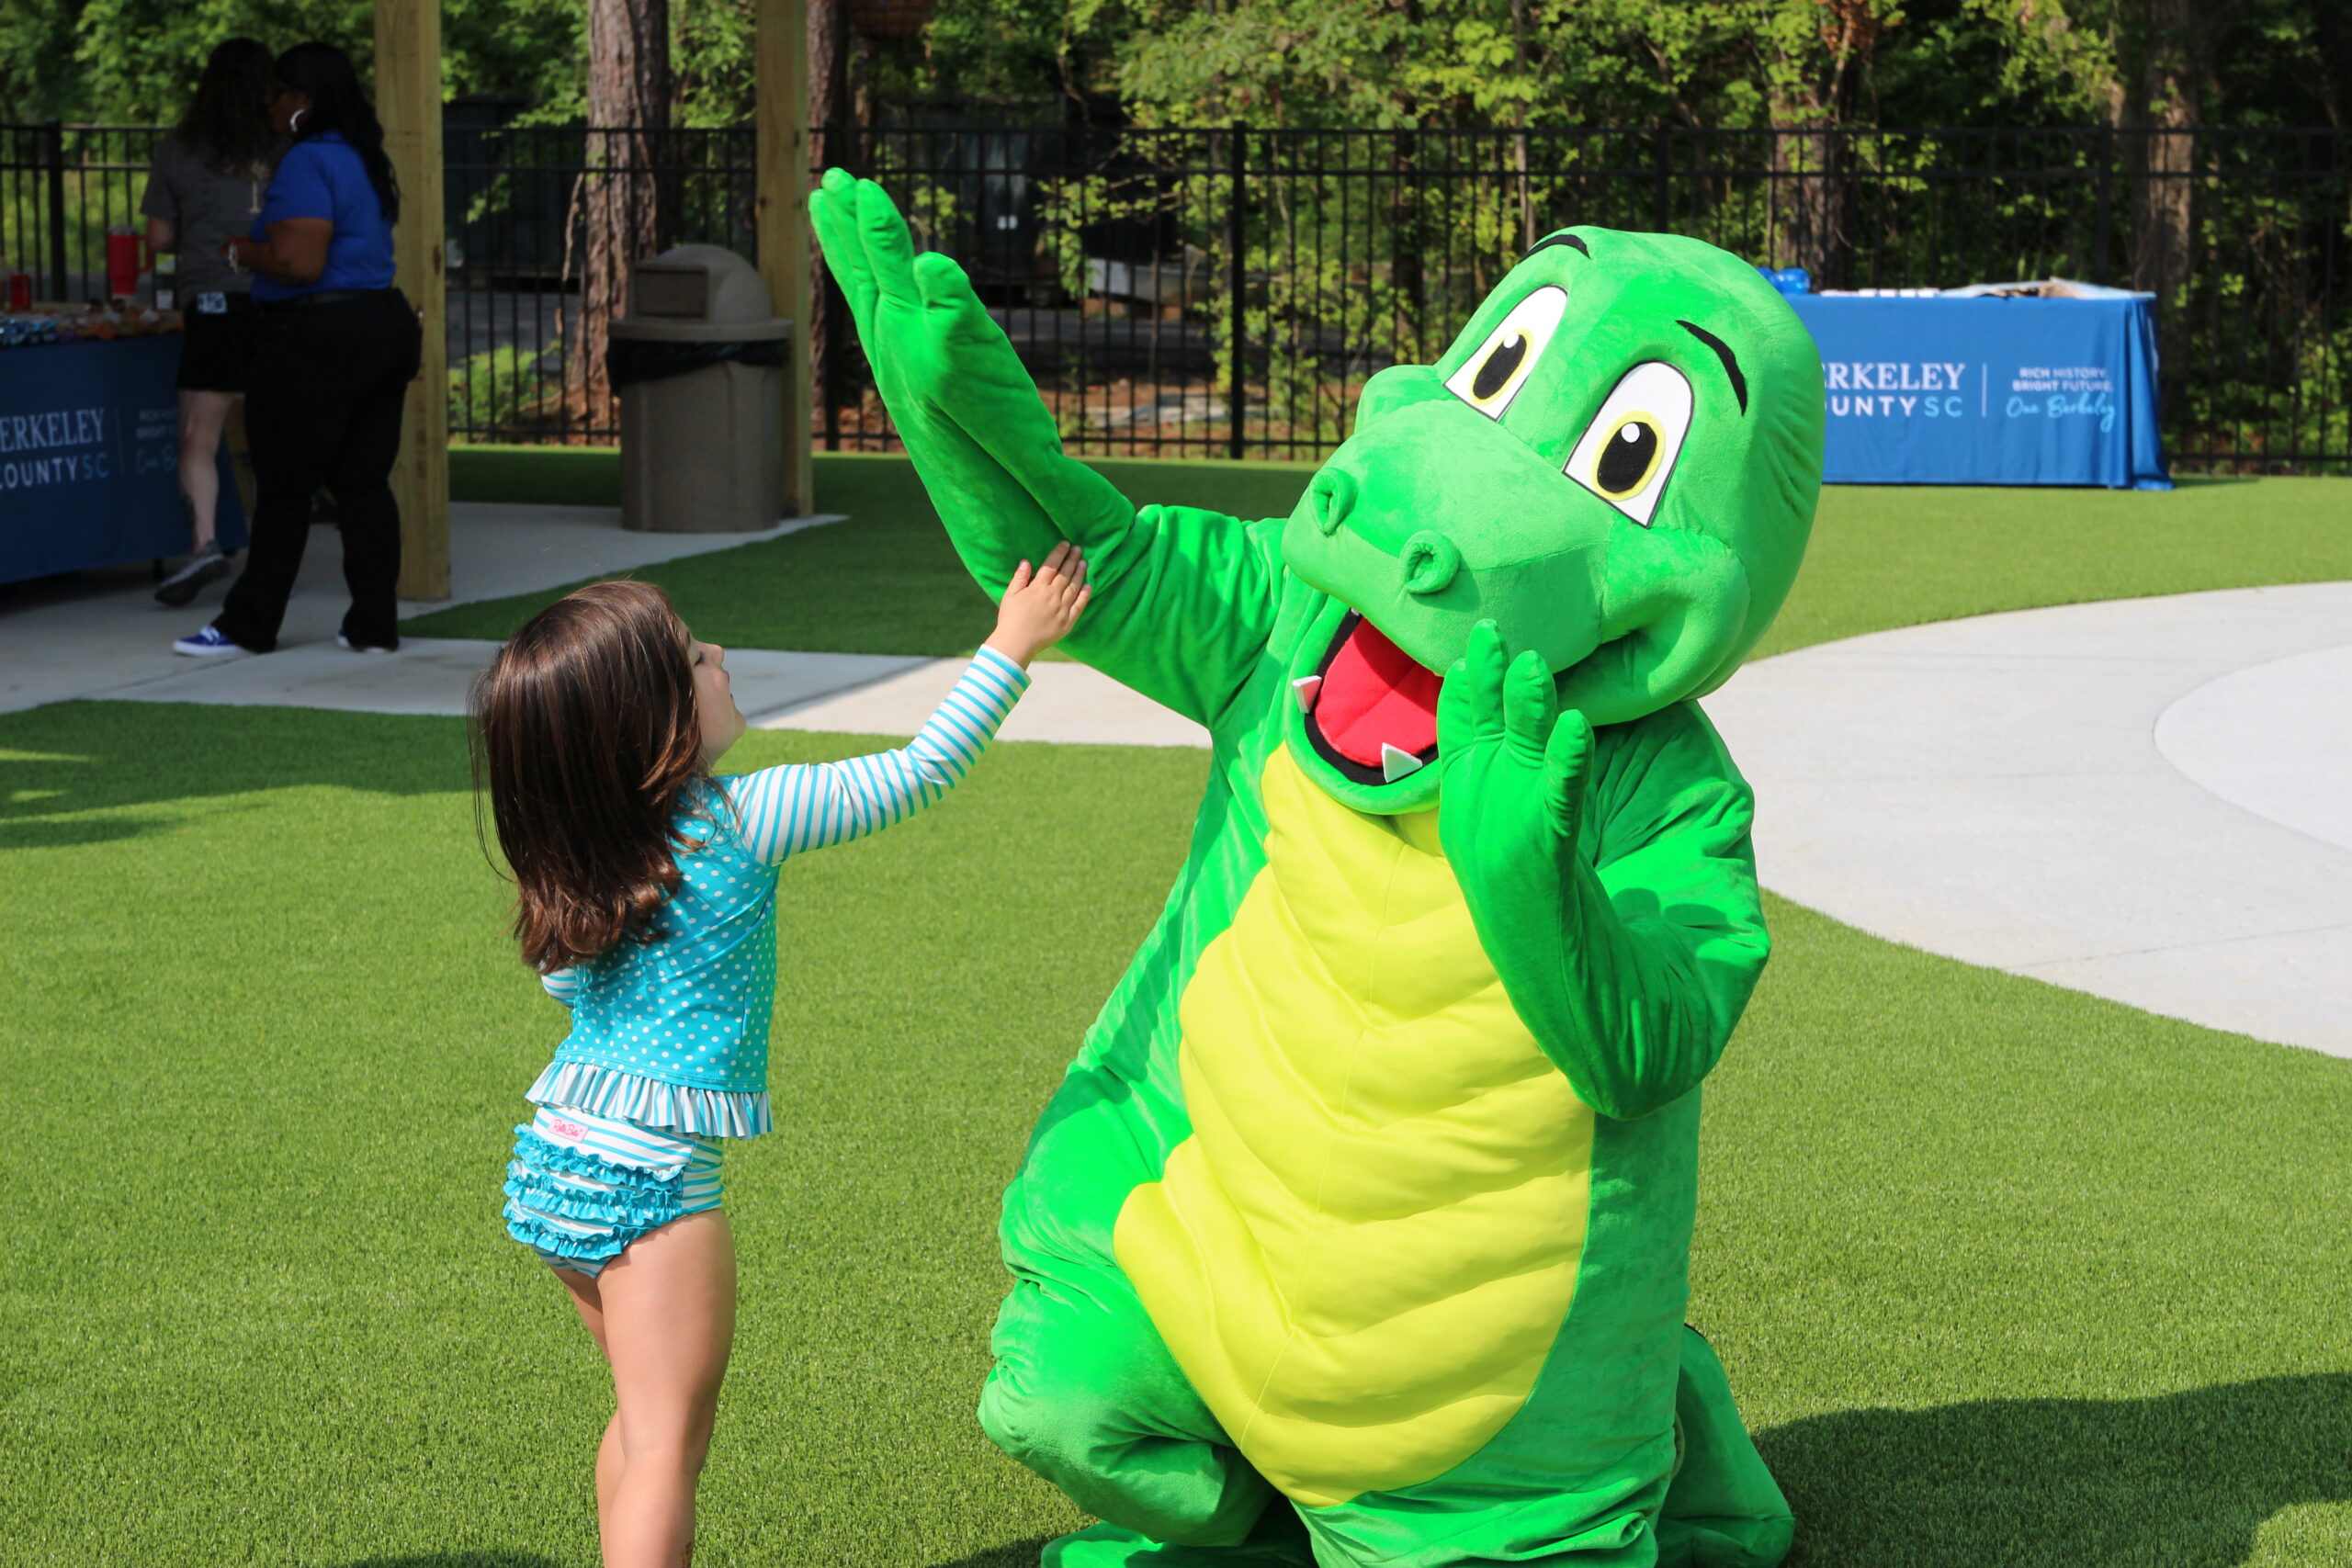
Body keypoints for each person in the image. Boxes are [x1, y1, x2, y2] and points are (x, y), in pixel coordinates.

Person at [471, 550, 1089, 1568]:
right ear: (652, 724)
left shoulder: (591, 861)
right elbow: (918, 769)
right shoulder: (746, 820)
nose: (717, 654)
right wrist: (1010, 645)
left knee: (639, 1424)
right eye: (690, 656)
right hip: (653, 1181)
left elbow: (568, 991)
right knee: (670, 1444)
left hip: (554, 1164)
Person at [173, 40, 421, 660]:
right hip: (378, 325)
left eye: (277, 90)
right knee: (363, 483)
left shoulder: (306, 161)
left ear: (303, 101)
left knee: (284, 486)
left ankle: (248, 625)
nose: (268, 101)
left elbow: (298, 261)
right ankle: (373, 624)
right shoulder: (362, 155)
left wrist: (242, 251)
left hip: (314, 338)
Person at [140, 37, 279, 608]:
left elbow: (159, 237)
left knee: (200, 433)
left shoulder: (180, 147)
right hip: (278, 299)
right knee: (281, 432)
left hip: (214, 300)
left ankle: (204, 544)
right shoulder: (286, 145)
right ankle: (281, 545)